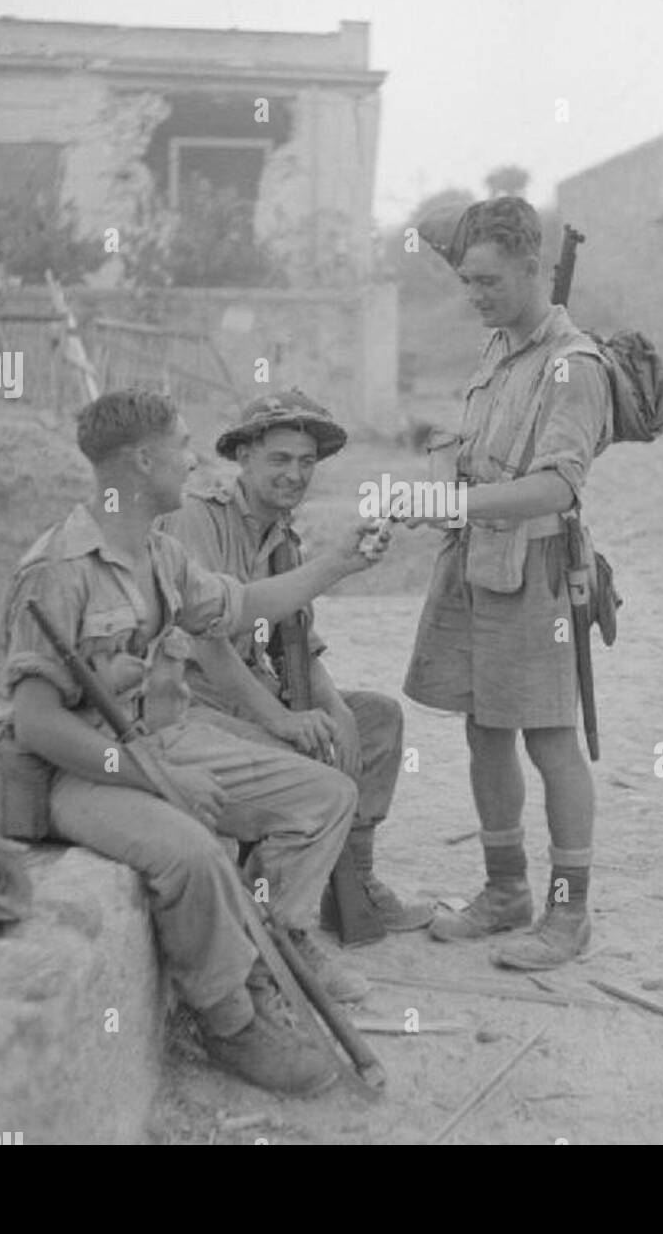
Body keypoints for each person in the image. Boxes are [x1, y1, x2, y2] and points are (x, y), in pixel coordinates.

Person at [0, 389, 390, 1095]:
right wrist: (155, 783)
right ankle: (230, 1022)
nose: (196, 458)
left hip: (161, 741)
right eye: (183, 444)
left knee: (326, 795)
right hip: (80, 770)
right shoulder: (57, 568)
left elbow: (238, 606)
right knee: (194, 851)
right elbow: (39, 724)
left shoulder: (160, 552)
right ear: (142, 461)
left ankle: (270, 954)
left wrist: (335, 565)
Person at [403, 196, 613, 971]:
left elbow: (557, 487)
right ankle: (504, 891)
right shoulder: (498, 346)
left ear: (533, 268)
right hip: (475, 562)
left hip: (537, 569)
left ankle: (569, 912)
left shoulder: (574, 365)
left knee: (550, 739)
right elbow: (473, 442)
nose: (476, 295)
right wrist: (439, 470)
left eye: (489, 280)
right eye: (466, 281)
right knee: (482, 727)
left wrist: (451, 501)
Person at [158, 389, 432, 935]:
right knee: (301, 761)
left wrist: (336, 709)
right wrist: (279, 718)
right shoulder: (198, 518)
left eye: (306, 462)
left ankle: (355, 884)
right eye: (279, 459)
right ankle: (271, 920)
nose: (294, 475)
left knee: (376, 720)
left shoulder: (283, 535)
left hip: (248, 696)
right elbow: (210, 645)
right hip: (193, 706)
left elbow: (297, 644)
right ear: (244, 457)